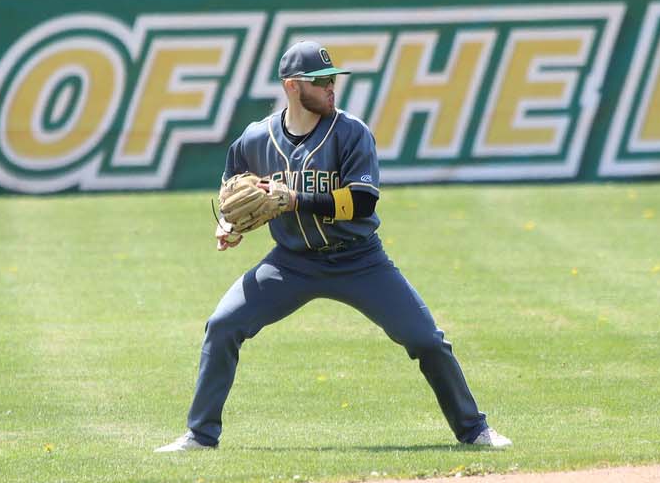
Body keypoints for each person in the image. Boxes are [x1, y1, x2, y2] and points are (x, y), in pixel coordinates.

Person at [156, 40, 510, 452]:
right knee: (223, 325)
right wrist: (228, 224)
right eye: (320, 80)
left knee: (426, 340)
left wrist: (295, 199)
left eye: (332, 79)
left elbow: (362, 201)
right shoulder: (256, 138)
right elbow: (234, 189)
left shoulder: (351, 133)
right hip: (290, 264)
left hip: (360, 260)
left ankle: (474, 430)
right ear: (292, 86)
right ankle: (201, 436)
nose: (330, 87)